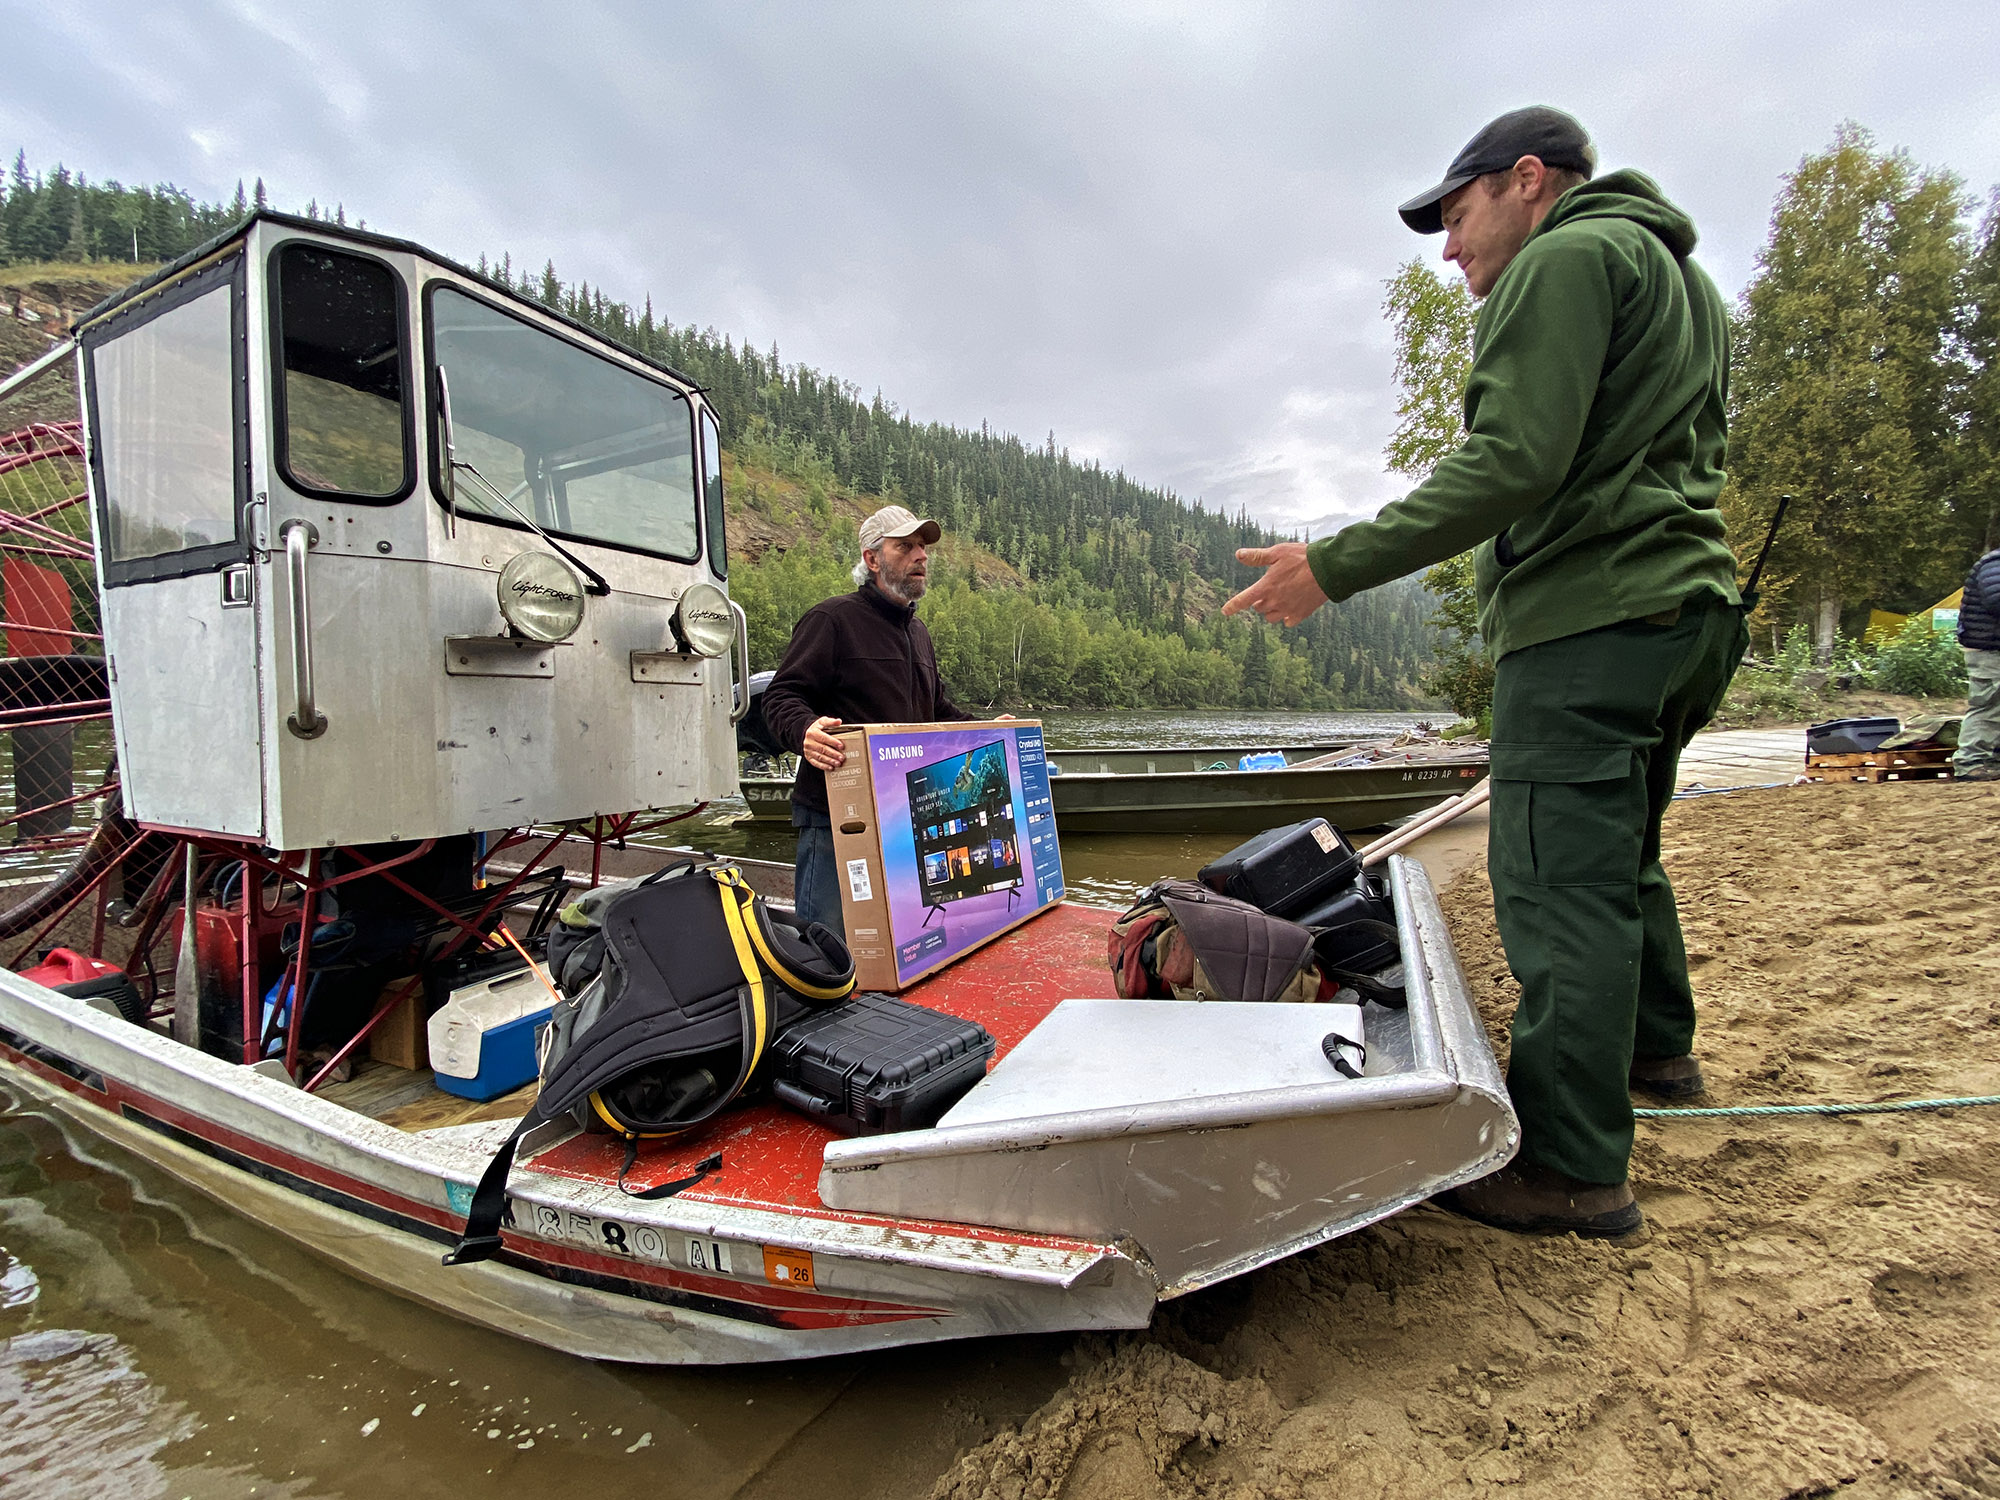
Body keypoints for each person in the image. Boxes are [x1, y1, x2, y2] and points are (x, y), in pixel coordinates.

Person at [1225, 107, 1748, 1239]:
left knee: (1557, 889)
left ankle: (1569, 1168)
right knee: (1623, 855)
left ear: (1527, 180)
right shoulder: (1675, 276)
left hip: (1589, 621)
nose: (1450, 248)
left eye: (1456, 217)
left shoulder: (1561, 258)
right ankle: (1658, 1051)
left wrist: (1335, 565)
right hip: (1687, 610)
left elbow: (1512, 457)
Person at [761, 505, 972, 936]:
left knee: (897, 938)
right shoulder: (832, 620)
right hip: (836, 818)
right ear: (872, 559)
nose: (921, 556)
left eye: (923, 547)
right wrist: (805, 730)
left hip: (904, 815)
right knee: (827, 944)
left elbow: (938, 712)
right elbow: (782, 696)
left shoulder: (918, 632)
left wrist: (995, 730)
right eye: (906, 546)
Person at [1954, 519, 2000, 781]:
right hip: (1989, 651)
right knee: (1989, 706)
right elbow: (1997, 600)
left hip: (1992, 648)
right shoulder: (1994, 565)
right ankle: (1970, 763)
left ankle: (1991, 760)